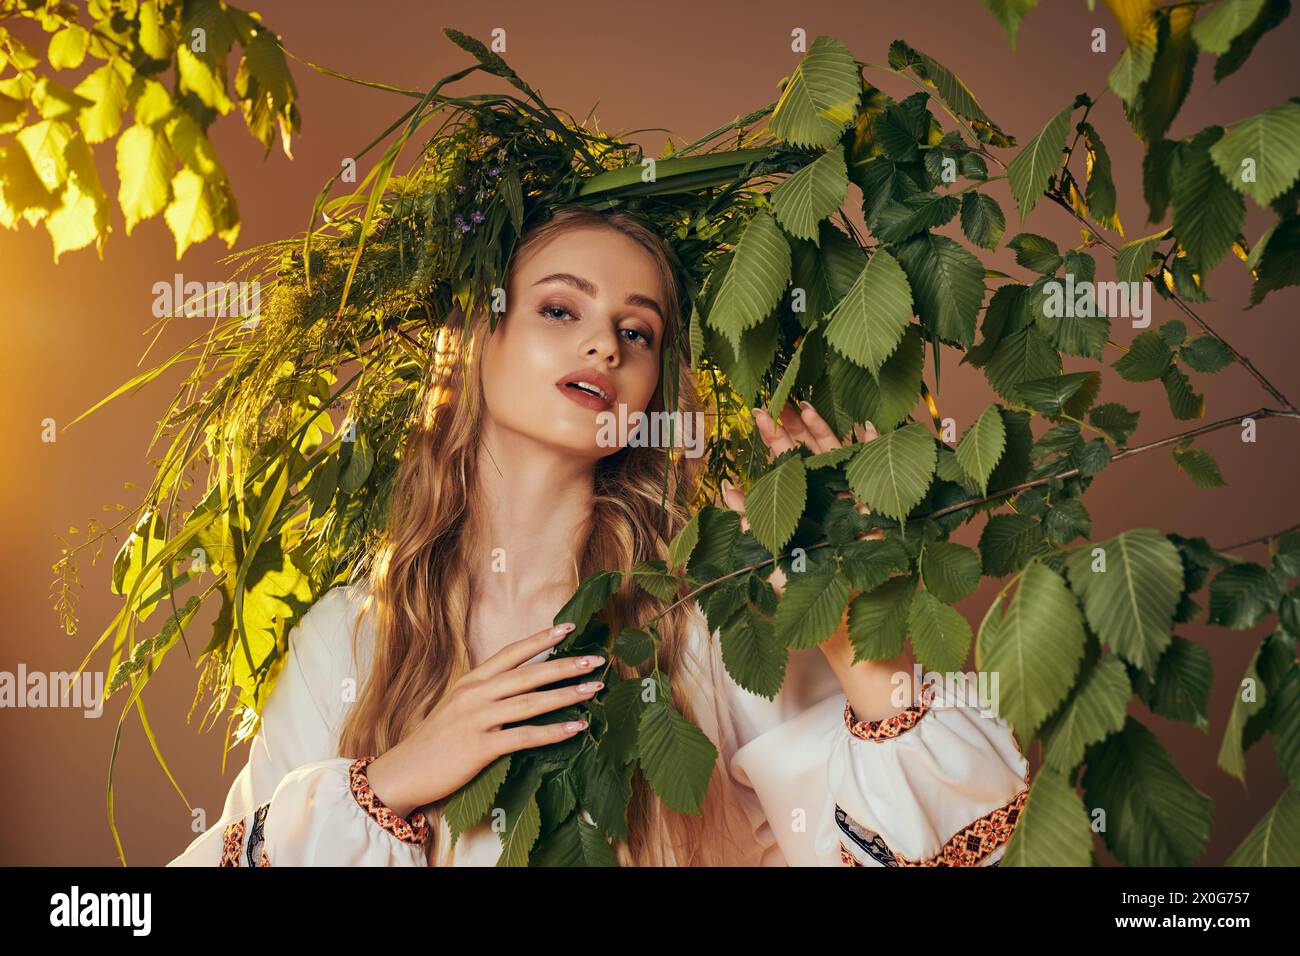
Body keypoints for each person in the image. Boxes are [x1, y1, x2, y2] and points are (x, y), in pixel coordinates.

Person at [168, 204, 1029, 867]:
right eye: (558, 310)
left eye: (635, 331)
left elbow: (951, 850)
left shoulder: (713, 616)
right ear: (477, 339)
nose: (602, 346)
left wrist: (858, 647)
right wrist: (393, 782)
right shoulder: (352, 640)